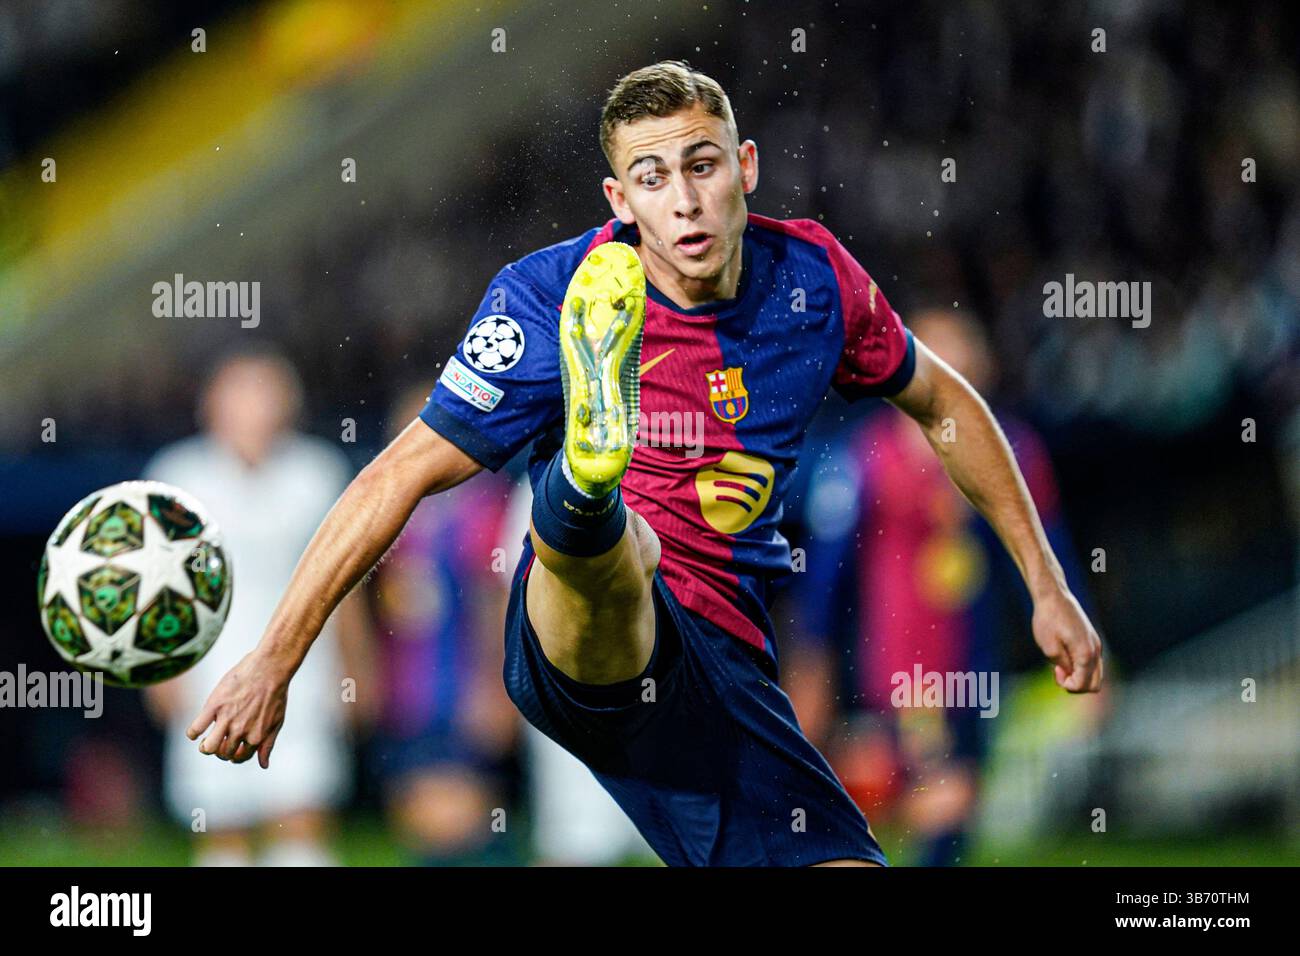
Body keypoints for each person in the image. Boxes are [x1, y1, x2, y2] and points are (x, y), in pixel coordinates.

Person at [185, 61, 1102, 867]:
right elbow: (399, 474)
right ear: (620, 201)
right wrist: (275, 657)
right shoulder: (549, 294)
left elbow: (943, 402)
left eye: (703, 166)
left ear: (743, 169)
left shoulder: (814, 281)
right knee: (622, 555)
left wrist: (1047, 581)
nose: (686, 200)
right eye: (652, 178)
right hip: (580, 639)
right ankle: (588, 486)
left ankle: (591, 494)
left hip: (728, 678)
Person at [791, 308, 1094, 865]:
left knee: (954, 816)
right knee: (937, 805)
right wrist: (812, 665)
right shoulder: (863, 457)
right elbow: (825, 578)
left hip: (976, 666)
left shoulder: (1012, 452)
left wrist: (1082, 638)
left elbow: (1046, 553)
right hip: (898, 669)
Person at [143, 348, 371, 866]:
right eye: (240, 392)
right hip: (208, 674)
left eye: (265, 392)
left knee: (301, 816)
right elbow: (156, 587)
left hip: (303, 673)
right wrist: (160, 672)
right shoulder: (179, 475)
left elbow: (344, 583)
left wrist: (357, 669)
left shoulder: (316, 473)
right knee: (220, 821)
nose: (254, 407)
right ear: (213, 405)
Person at [366, 385, 518, 865]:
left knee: (464, 820)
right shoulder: (386, 512)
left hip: (464, 688)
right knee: (420, 819)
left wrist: (497, 685)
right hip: (408, 694)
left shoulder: (485, 505)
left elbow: (496, 600)